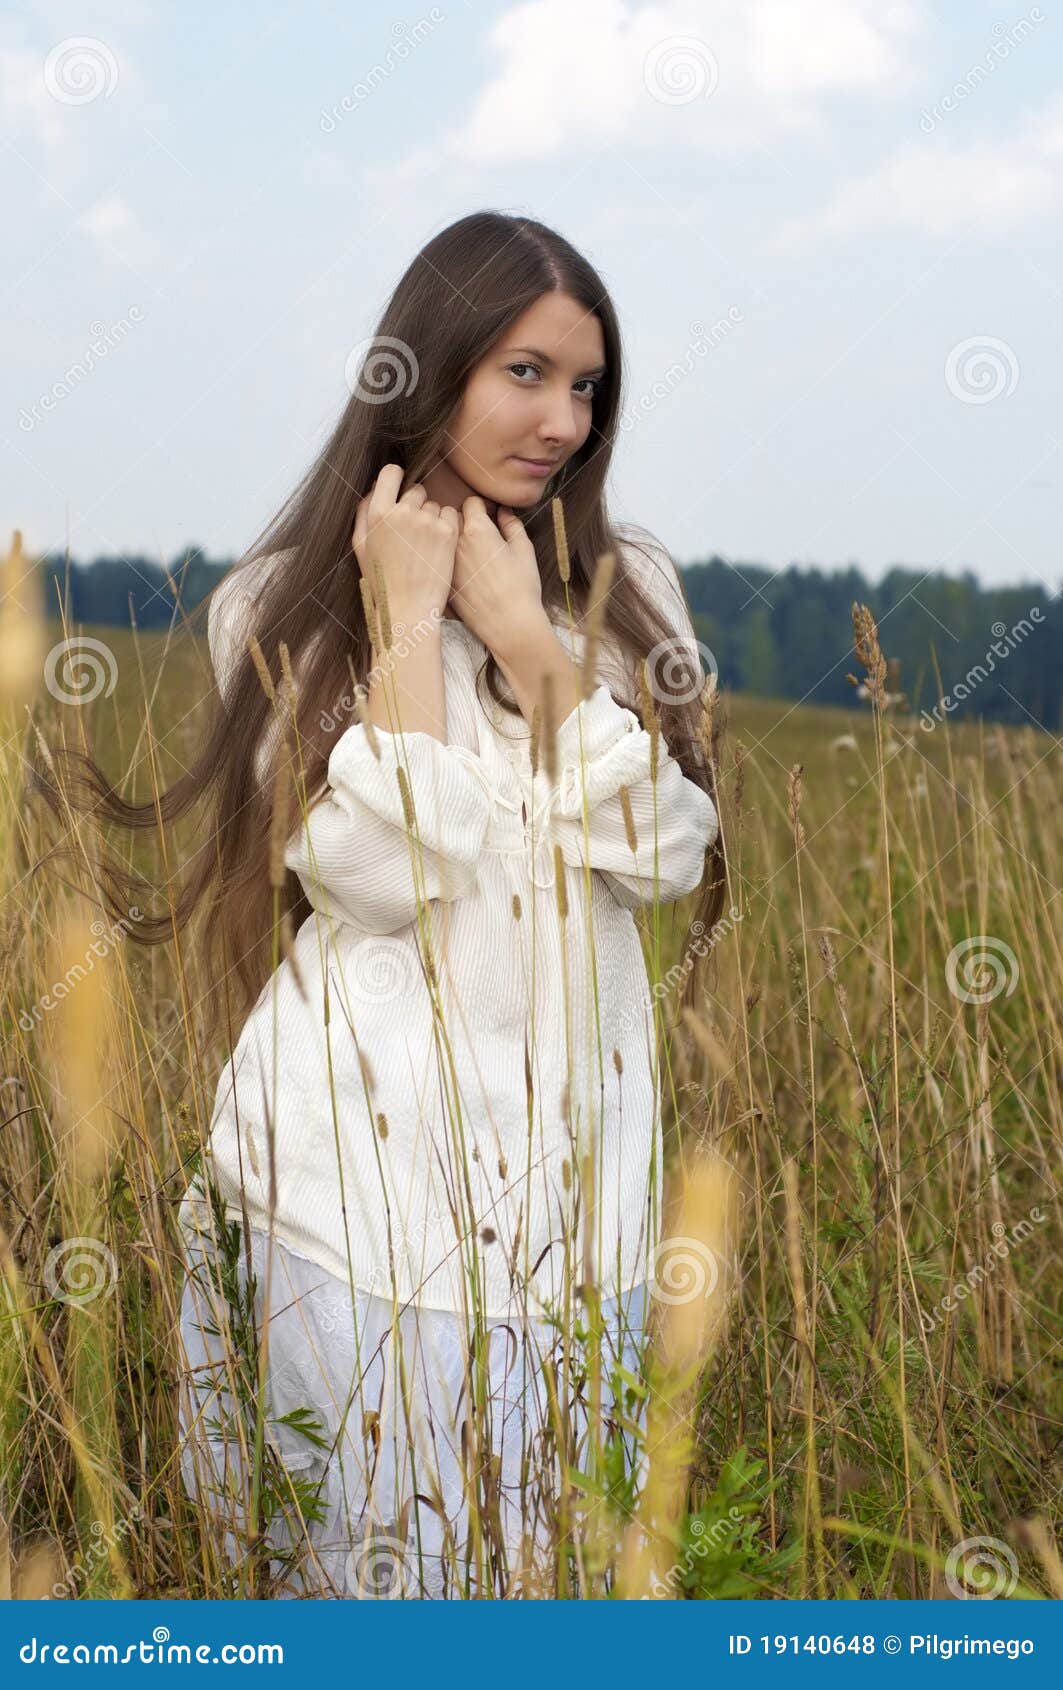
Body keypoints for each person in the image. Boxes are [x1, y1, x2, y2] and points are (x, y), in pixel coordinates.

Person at [36, 210, 726, 1599]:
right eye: (525, 373)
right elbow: (387, 880)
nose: (562, 421)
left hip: (563, 1227)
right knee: (341, 1597)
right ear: (433, 365)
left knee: (531, 1590)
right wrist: (407, 623)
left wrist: (533, 649)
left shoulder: (624, 593)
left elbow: (666, 849)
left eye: (586, 386)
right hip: (341, 1211)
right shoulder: (275, 607)